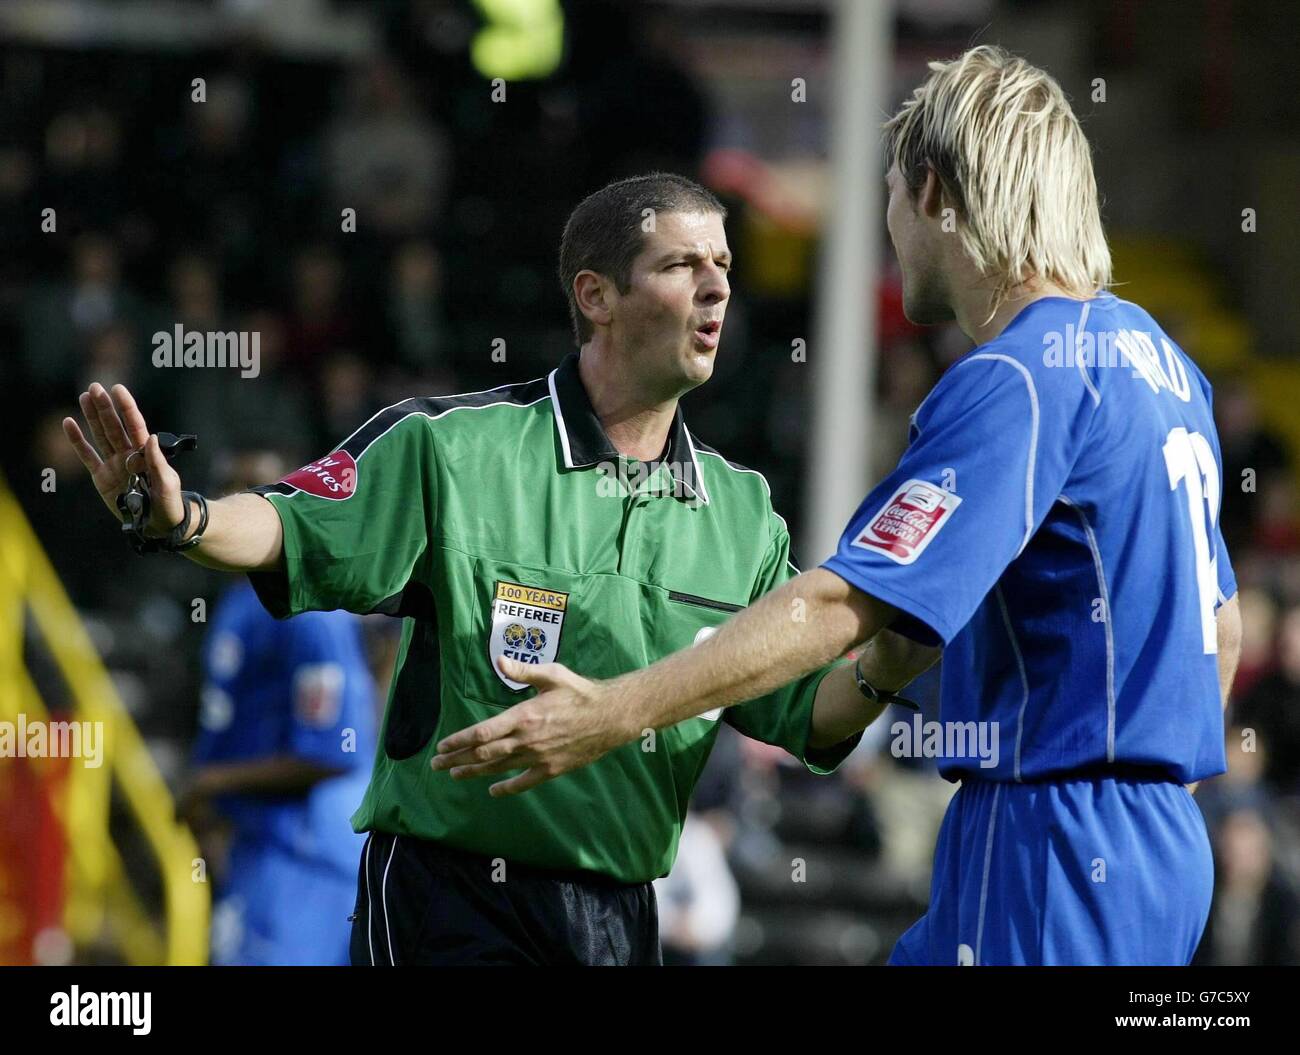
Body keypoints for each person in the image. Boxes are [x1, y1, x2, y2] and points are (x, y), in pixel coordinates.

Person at [432, 47, 1246, 967]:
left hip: (1050, 840)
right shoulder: (1161, 362)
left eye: (892, 192)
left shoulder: (1020, 375)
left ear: (935, 189)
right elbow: (1225, 625)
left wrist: (617, 710)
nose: (889, 227)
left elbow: (834, 605)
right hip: (1160, 843)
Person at [63, 174, 893, 966]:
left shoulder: (743, 513)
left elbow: (808, 709)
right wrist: (184, 517)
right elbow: (289, 522)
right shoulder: (453, 448)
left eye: (724, 267)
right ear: (595, 295)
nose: (716, 287)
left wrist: (907, 644)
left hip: (621, 910)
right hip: (452, 897)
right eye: (682, 264)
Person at [180, 448, 376, 965]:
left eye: (260, 491)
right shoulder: (236, 597)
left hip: (304, 853)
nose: (243, 504)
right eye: (231, 489)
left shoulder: (311, 610)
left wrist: (212, 784)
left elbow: (332, 749)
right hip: (260, 843)